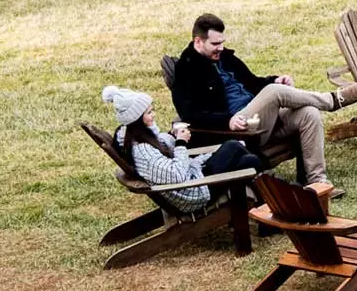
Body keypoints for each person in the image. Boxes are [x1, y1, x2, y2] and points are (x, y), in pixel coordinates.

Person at [168, 13, 357, 190]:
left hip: (260, 119)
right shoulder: (186, 69)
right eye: (215, 44)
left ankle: (317, 183)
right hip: (238, 128)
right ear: (198, 41)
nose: (220, 47)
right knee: (273, 93)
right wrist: (226, 121)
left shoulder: (225, 58)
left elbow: (252, 82)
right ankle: (331, 100)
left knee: (309, 113)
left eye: (222, 42)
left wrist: (275, 80)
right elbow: (190, 113)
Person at [103, 84, 261, 214]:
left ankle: (266, 208)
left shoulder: (138, 138)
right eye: (149, 112)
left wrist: (172, 136)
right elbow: (177, 174)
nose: (154, 115)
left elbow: (162, 148)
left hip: (193, 180)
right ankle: (269, 206)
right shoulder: (143, 151)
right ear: (137, 118)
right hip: (192, 192)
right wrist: (181, 143)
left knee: (248, 160)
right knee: (235, 147)